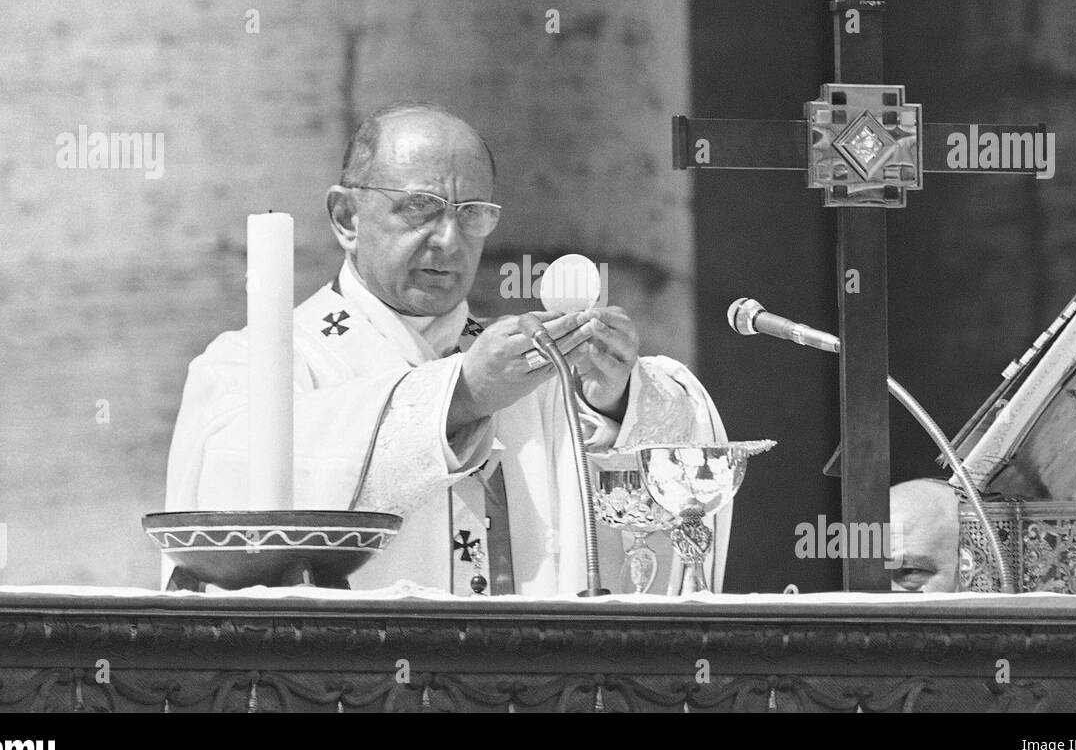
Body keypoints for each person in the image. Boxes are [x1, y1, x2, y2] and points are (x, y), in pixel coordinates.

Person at [164, 101, 731, 596]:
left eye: (472, 214)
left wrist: (617, 401)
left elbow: (672, 488)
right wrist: (460, 395)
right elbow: (236, 492)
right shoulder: (257, 362)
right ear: (346, 218)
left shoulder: (532, 366)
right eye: (420, 207)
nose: (448, 240)